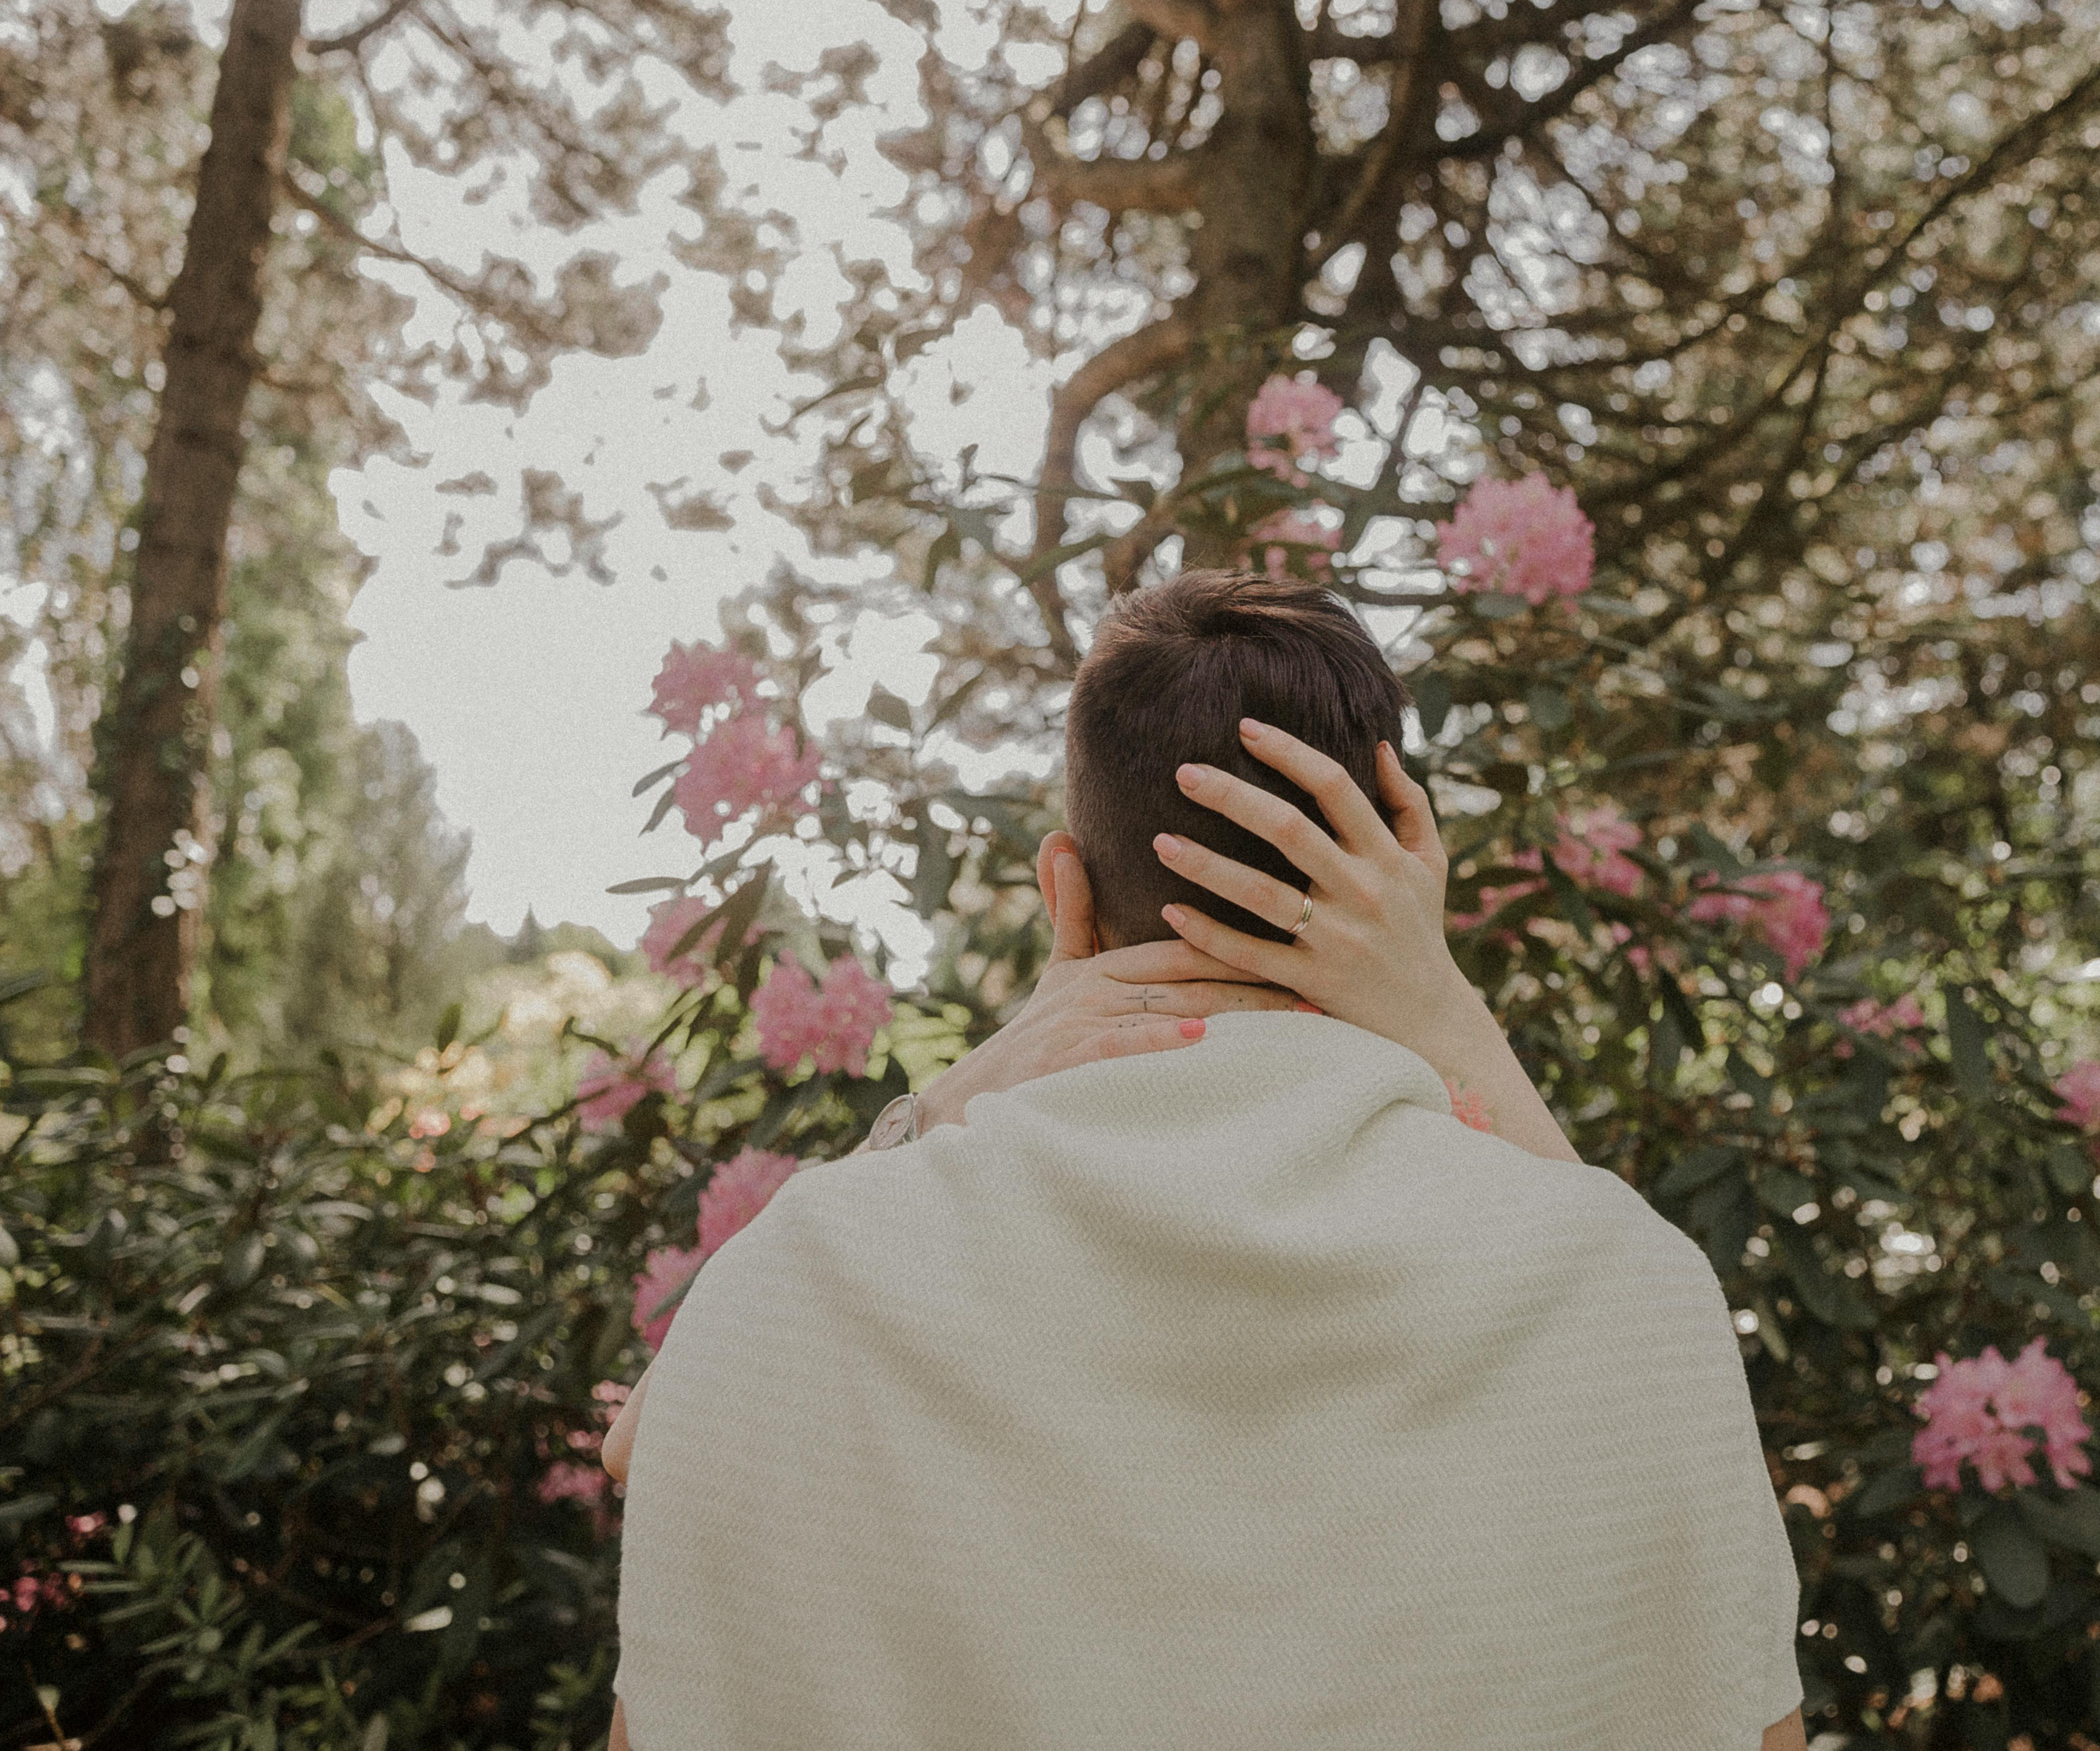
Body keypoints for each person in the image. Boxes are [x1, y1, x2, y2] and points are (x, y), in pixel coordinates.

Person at [601, 571, 1808, 1750]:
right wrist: (1445, 1010)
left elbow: (648, 1442)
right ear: (1403, 870)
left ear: (1064, 883)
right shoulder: (1635, 1296)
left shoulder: (799, 1282)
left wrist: (956, 1089)